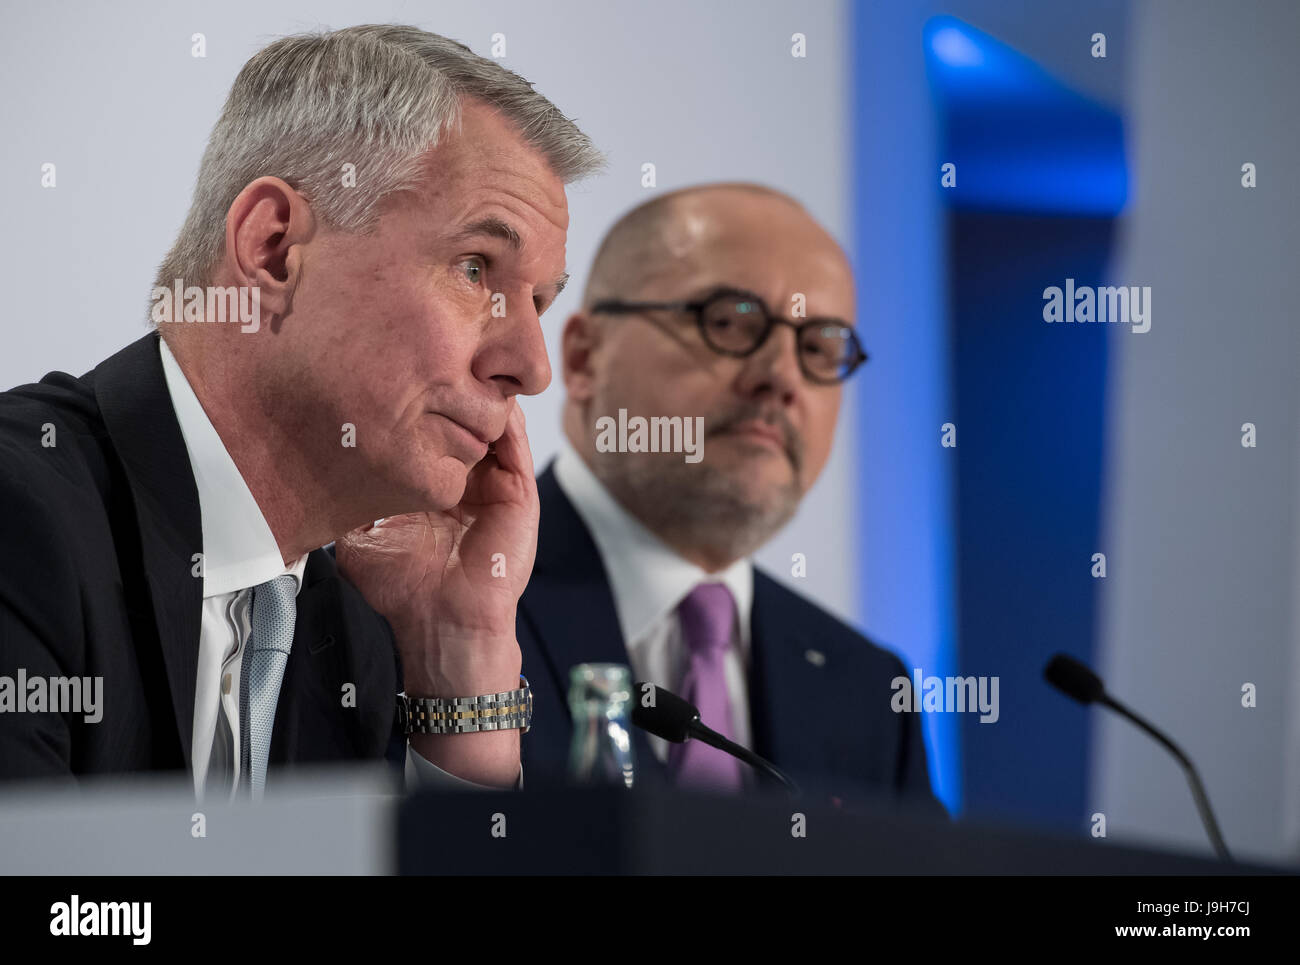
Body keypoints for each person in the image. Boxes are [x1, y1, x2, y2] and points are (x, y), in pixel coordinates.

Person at [0, 25, 603, 798]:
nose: (532, 366)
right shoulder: (22, 522)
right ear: (275, 247)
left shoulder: (358, 632)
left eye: (540, 304)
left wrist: (461, 647)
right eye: (476, 267)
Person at [518, 183, 943, 812]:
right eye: (728, 323)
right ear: (584, 358)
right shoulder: (434, 606)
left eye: (821, 347)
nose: (781, 376)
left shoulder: (869, 690)